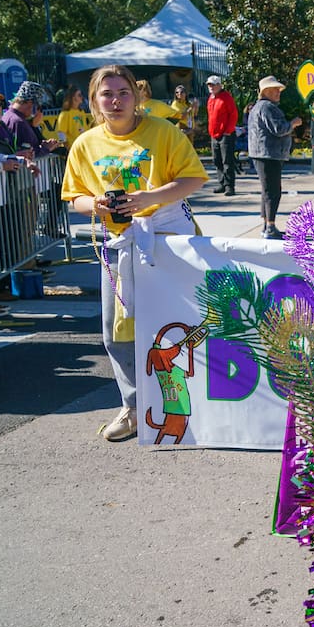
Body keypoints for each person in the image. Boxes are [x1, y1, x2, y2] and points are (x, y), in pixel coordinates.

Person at [61, 65, 208, 442]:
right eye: (107, 93)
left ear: (137, 95)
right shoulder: (86, 143)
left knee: (179, 324)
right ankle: (132, 406)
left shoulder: (163, 132)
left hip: (166, 240)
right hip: (117, 245)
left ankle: (199, 404)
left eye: (123, 92)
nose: (115, 100)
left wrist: (150, 197)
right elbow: (72, 196)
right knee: (116, 332)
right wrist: (93, 204)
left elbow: (194, 178)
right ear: (94, 101)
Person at [247, 75, 303, 239]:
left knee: (267, 191)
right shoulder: (267, 107)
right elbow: (279, 129)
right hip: (268, 154)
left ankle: (267, 225)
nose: (279, 92)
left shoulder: (259, 107)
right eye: (275, 89)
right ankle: (270, 226)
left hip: (263, 153)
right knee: (273, 191)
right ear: (266, 91)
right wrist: (293, 123)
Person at [1, 81, 62, 157]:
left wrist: (34, 126)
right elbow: (30, 155)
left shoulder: (8, 116)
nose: (37, 111)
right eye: (38, 106)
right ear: (30, 103)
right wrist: (47, 148)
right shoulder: (19, 122)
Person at [204, 76, 238, 196]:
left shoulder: (226, 97)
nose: (211, 87)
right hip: (214, 134)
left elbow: (233, 115)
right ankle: (222, 183)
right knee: (217, 160)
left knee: (227, 161)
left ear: (219, 85)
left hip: (225, 134)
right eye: (209, 85)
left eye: (213, 85)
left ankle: (230, 186)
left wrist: (228, 131)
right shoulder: (211, 98)